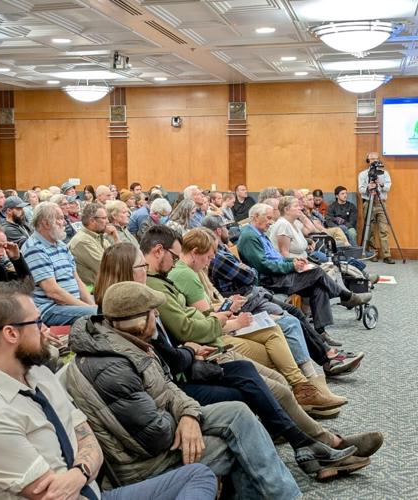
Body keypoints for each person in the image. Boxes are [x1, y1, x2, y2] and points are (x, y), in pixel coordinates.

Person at [65, 280, 336, 495]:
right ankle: (290, 485)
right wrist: (185, 419)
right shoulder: (113, 368)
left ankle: (299, 460)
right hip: (144, 464)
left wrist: (188, 413)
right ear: (138, 321)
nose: (156, 316)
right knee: (238, 437)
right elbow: (154, 437)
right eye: (152, 312)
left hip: (162, 427)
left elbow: (167, 387)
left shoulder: (125, 345)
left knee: (239, 410)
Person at [0, 280, 217, 500]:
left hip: (92, 489)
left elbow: (86, 435)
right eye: (37, 322)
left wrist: (79, 471)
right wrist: (84, 468)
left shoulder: (37, 374)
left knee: (199, 476)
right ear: (10, 334)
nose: (45, 329)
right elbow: (54, 495)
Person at [142, 226, 343, 414]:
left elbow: (201, 312)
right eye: (209, 257)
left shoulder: (184, 273)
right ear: (194, 252)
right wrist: (232, 320)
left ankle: (306, 388)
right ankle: (305, 389)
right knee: (280, 333)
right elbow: (198, 321)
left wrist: (225, 310)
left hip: (214, 333)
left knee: (286, 322)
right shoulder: (182, 276)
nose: (210, 262)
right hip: (213, 340)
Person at [238, 204, 367, 336]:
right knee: (317, 272)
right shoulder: (249, 236)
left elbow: (276, 258)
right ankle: (346, 296)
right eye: (268, 218)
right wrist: (291, 266)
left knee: (319, 287)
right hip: (270, 280)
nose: (271, 222)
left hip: (277, 275)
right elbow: (264, 265)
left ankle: (321, 333)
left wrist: (293, 261)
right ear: (255, 217)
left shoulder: (259, 233)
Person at [23, 202, 96, 326]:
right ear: (45, 223)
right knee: (100, 315)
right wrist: (92, 310)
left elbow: (76, 279)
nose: (65, 222)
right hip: (50, 309)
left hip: (71, 304)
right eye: (60, 219)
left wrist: (92, 305)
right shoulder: (34, 248)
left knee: (111, 308)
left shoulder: (61, 245)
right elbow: (53, 292)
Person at [68, 203, 117, 289]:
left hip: (104, 287)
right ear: (92, 221)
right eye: (104, 218)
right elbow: (109, 268)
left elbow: (120, 258)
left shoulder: (98, 237)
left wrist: (116, 237)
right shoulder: (82, 241)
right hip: (92, 291)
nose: (108, 221)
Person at [357, 151, 394, 264]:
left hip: (381, 202)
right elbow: (361, 190)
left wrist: (380, 184)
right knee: (370, 230)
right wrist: (368, 187)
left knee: (384, 229)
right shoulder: (363, 174)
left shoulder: (384, 173)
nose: (374, 161)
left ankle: (387, 255)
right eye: (371, 159)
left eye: (376, 158)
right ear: (368, 161)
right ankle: (372, 253)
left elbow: (388, 187)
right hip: (368, 202)